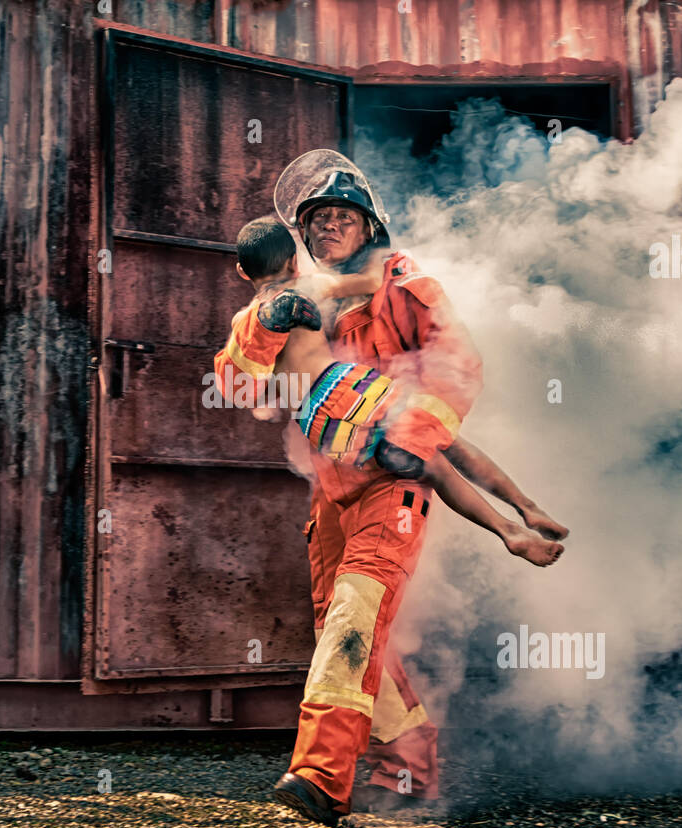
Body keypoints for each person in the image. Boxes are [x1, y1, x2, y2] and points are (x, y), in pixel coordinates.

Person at [214, 151, 558, 825]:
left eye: (341, 217)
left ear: (370, 222)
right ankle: (410, 766)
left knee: (355, 610)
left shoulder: (408, 285)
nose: (327, 230)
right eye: (316, 222)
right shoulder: (297, 297)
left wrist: (415, 437)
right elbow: (237, 385)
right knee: (345, 629)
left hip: (391, 480)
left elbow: (458, 369)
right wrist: (265, 321)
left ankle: (320, 775)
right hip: (330, 490)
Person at [224, 215, 566, 566]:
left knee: (429, 446)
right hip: (349, 387)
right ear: (294, 261)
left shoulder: (247, 320)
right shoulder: (310, 287)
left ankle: (516, 524)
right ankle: (519, 515)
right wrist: (378, 246)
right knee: (438, 446)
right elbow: (373, 281)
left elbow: (247, 380)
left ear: (241, 271)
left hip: (322, 417)